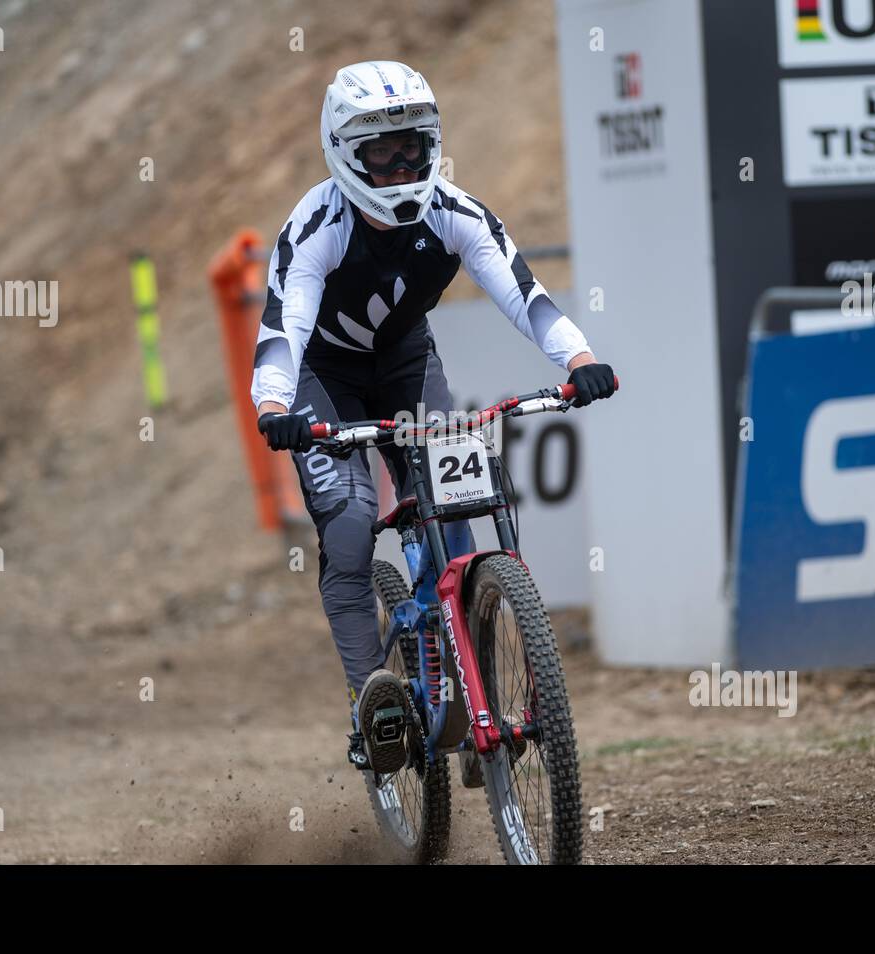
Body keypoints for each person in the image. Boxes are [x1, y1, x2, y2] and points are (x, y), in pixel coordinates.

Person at [250, 60, 615, 774]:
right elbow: (282, 330)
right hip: (319, 378)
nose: (398, 165)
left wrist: (578, 359)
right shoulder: (315, 225)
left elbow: (523, 292)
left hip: (405, 364)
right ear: (343, 154)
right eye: (378, 153)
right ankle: (374, 711)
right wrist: (273, 404)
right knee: (352, 525)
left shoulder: (456, 211)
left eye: (410, 146)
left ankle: (476, 693)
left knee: (454, 511)